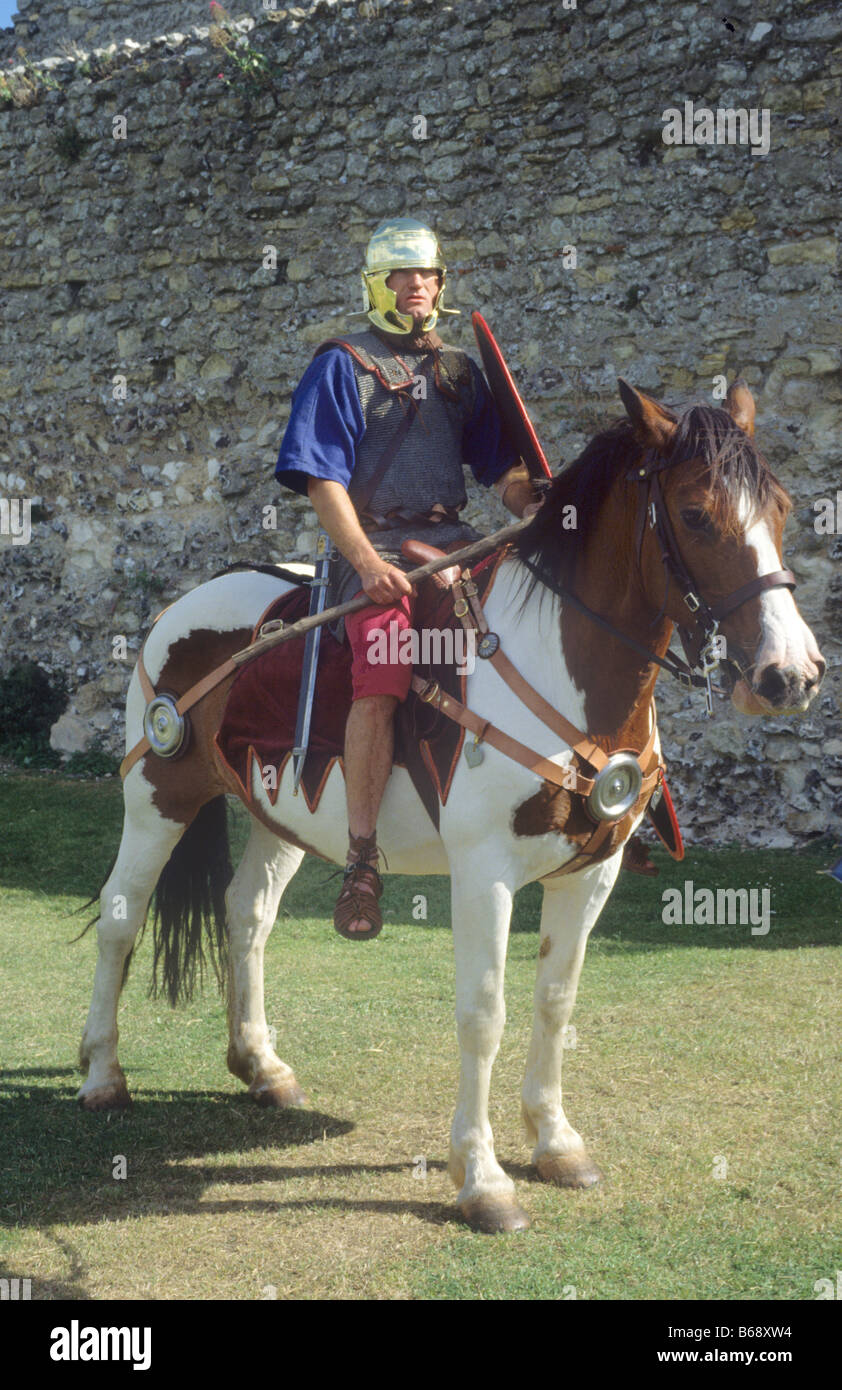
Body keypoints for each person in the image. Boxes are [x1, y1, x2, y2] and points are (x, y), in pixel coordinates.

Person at [276, 218, 541, 940]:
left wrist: (537, 504)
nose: (416, 284)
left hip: (454, 547)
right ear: (376, 283)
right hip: (378, 553)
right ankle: (361, 860)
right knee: (387, 672)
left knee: (527, 630)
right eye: (400, 273)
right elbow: (321, 480)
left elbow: (501, 468)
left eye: (426, 273)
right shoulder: (342, 364)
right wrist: (367, 564)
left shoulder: (458, 372)